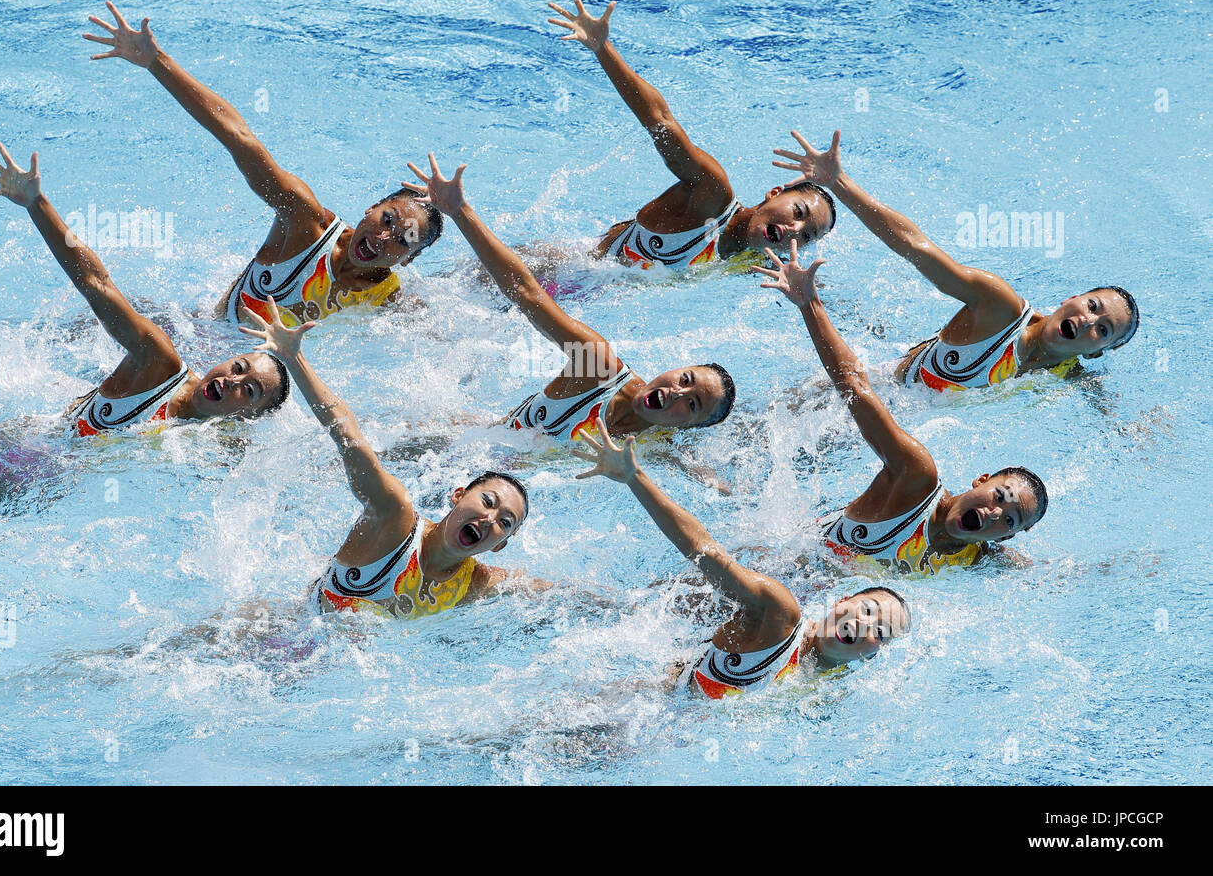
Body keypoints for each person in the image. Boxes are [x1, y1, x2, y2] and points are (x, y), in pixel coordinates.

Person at [83, 1, 444, 327]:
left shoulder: (387, 295)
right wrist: (156, 62)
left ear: (407, 261)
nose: (384, 238)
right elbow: (238, 136)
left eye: (402, 240)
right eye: (388, 219)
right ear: (372, 208)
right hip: (198, 335)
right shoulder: (304, 220)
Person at [755, 240, 1049, 575]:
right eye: (999, 495)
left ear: (1006, 537)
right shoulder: (915, 477)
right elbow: (857, 389)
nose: (995, 513)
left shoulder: (973, 558)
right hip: (781, 569)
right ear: (980, 480)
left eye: (1008, 520)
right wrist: (809, 304)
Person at [238, 296, 540, 617]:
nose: (490, 519)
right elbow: (348, 435)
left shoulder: (474, 584)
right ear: (458, 495)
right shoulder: (394, 516)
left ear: (500, 544)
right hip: (276, 629)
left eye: (505, 522)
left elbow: (567, 595)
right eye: (488, 502)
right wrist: (294, 358)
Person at [402, 155, 736, 444]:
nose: (678, 392)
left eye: (692, 405)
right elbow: (525, 291)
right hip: (459, 448)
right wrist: (461, 212)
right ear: (674, 369)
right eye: (685, 379)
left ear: (690, 427)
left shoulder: (656, 444)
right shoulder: (599, 367)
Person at [773, 130, 1139, 390]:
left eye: (1103, 330)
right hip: (870, 391)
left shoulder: (1067, 370)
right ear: (1069, 298)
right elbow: (914, 246)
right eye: (1092, 305)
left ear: (1096, 352)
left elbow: (1096, 395)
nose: (1088, 320)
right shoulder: (999, 307)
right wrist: (839, 183)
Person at [574, 420, 909, 698]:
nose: (865, 625)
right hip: (634, 709)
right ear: (842, 601)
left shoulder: (826, 687)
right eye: (868, 611)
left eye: (880, 632)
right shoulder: (779, 614)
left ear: (873, 655)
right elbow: (705, 550)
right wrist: (635, 477)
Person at [0, 142, 288, 436]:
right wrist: (35, 203)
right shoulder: (159, 363)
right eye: (237, 368)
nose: (231, 381)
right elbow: (97, 284)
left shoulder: (219, 441)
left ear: (251, 416)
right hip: (29, 447)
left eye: (249, 391)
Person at [547, 0, 835, 271]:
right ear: (774, 193)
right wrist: (603, 49)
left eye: (807, 236)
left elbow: (821, 299)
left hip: (570, 306)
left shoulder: (751, 261)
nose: (796, 229)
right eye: (798, 213)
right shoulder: (711, 193)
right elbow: (660, 120)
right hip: (553, 270)